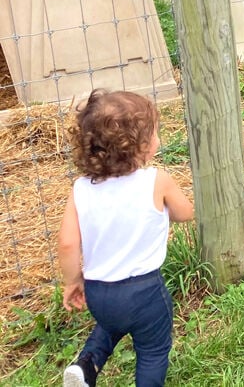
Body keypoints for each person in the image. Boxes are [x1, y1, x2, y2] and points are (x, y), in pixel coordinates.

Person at [58, 90, 195, 387]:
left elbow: (68, 243)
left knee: (110, 326)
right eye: (155, 131)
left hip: (99, 291)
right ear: (140, 145)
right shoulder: (156, 180)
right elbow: (184, 213)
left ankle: (86, 365)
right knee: (153, 350)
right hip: (144, 292)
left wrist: (73, 282)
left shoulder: (81, 189)